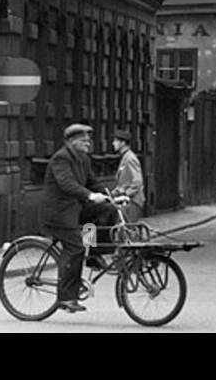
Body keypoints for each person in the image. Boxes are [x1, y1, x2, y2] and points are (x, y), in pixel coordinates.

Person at [40, 123, 118, 313]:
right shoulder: (61, 158)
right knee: (75, 247)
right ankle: (66, 298)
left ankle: (94, 253)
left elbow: (92, 182)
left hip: (75, 209)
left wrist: (110, 196)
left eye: (88, 140)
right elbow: (67, 184)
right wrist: (90, 196)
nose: (87, 143)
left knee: (107, 210)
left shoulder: (83, 159)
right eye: (83, 140)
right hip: (58, 214)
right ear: (70, 141)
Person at [111, 128, 145, 223]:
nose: (113, 143)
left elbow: (137, 181)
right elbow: (125, 182)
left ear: (123, 143)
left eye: (115, 141)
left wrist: (126, 194)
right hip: (127, 201)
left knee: (127, 230)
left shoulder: (130, 159)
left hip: (132, 202)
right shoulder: (125, 157)